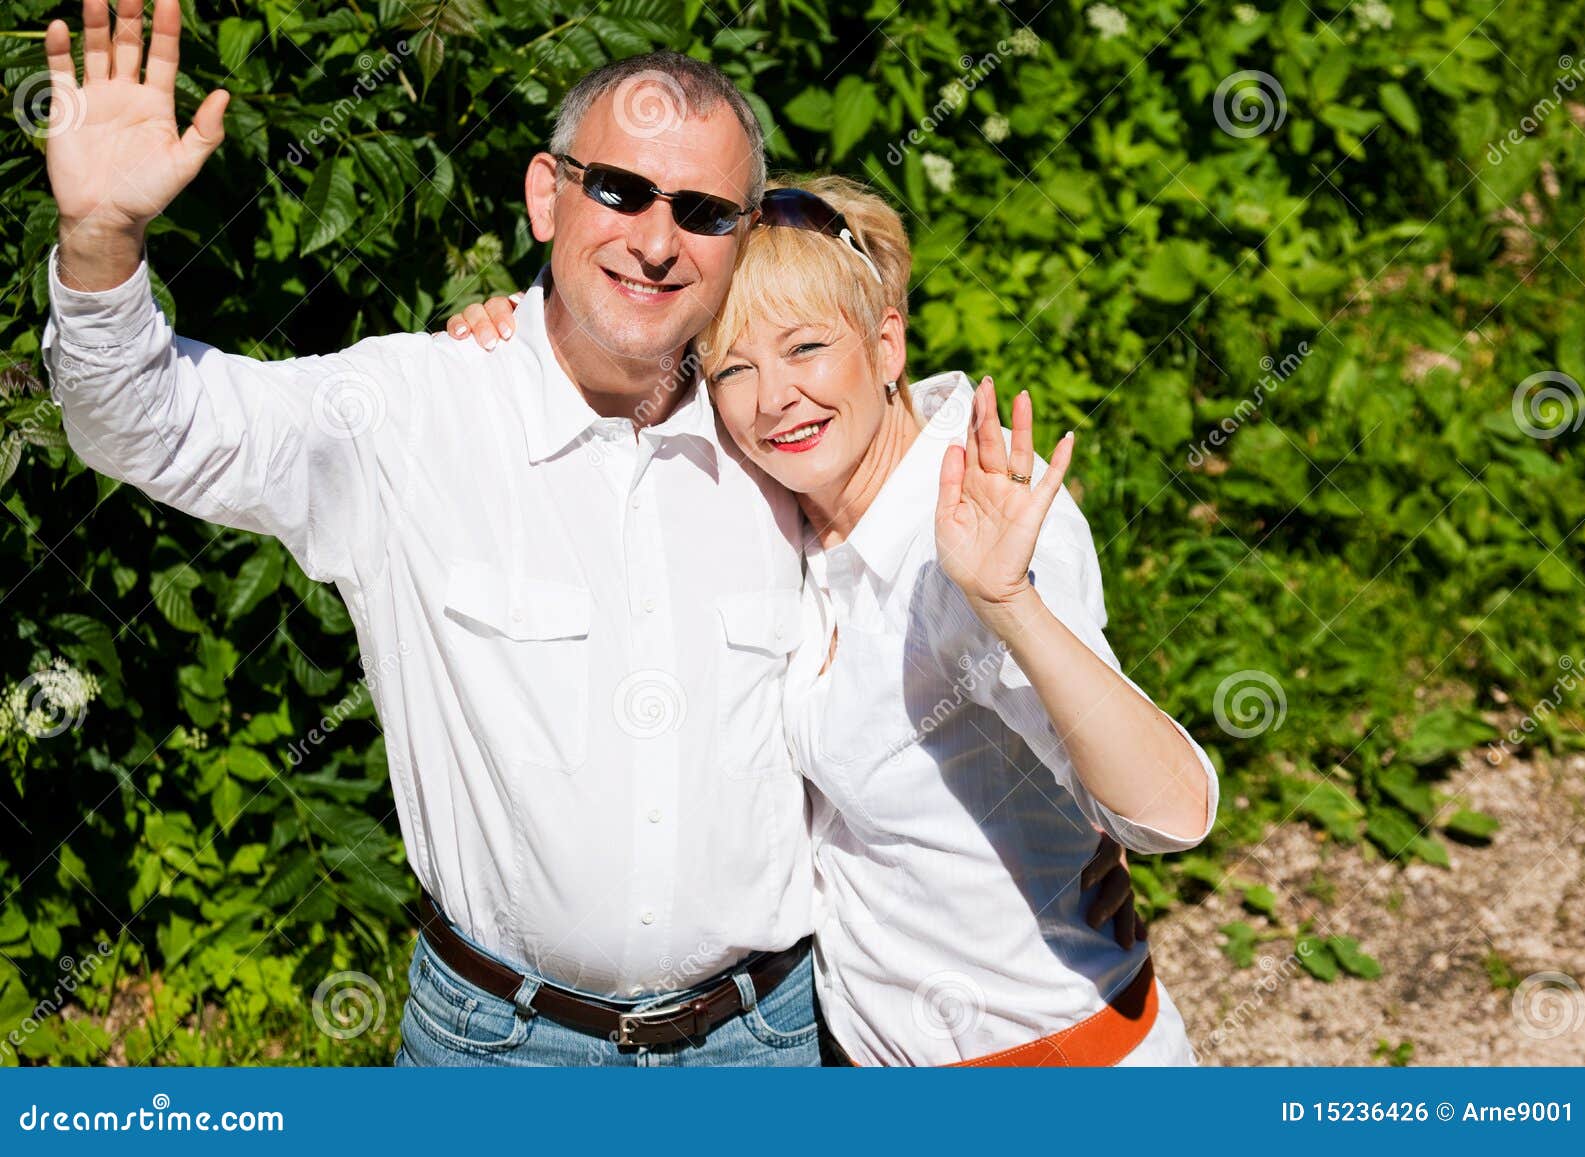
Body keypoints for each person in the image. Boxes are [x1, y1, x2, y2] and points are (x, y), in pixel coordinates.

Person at [36, 1, 1142, 1066]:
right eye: (618, 189)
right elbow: (148, 424)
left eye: (704, 212)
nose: (657, 241)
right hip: (496, 1046)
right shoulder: (412, 412)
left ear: (737, 241)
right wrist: (99, 241)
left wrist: (1063, 834)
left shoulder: (776, 437)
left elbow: (912, 494)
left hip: (767, 1042)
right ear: (545, 196)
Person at [450, 175, 1218, 1065]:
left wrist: (1011, 603)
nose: (773, 396)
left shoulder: (977, 516)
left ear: (886, 343)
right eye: (734, 366)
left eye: (806, 347)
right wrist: (523, 340)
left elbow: (1172, 813)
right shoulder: (781, 513)